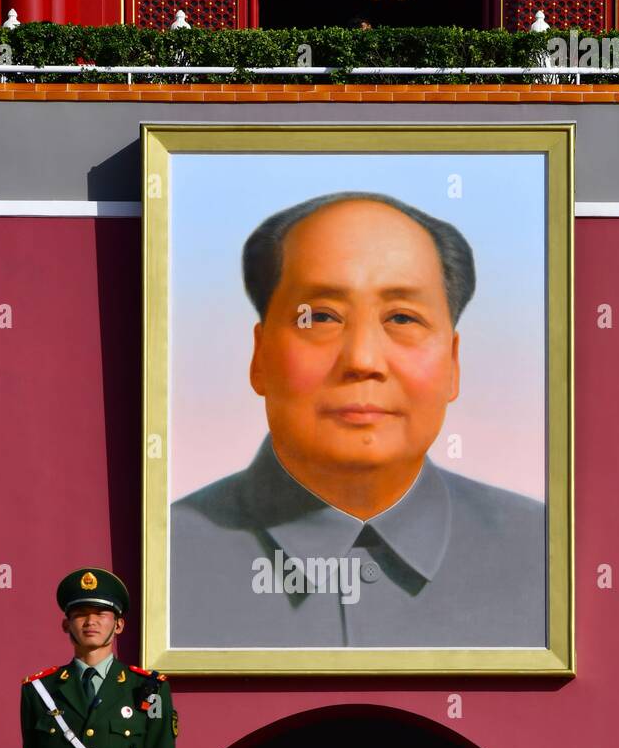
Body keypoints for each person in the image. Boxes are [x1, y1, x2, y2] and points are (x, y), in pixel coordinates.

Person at [171, 193, 545, 650]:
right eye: (322, 317)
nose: (363, 360)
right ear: (260, 356)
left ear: (453, 363)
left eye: (403, 317)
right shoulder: (165, 560)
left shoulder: (547, 556)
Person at [17, 568, 176, 748]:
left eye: (101, 614)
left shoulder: (149, 688)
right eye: (80, 615)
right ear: (65, 624)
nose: (91, 622)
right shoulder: (40, 690)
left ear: (119, 624)